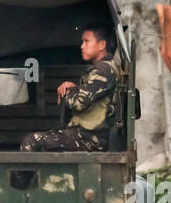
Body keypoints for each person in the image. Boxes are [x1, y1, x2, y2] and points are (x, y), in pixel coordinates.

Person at [21, 23, 122, 152]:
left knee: (31, 141)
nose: (82, 46)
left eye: (86, 42)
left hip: (91, 139)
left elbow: (79, 103)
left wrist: (68, 91)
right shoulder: (104, 69)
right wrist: (74, 88)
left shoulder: (103, 70)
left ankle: (21, 173)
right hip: (87, 136)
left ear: (102, 45)